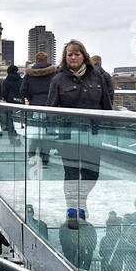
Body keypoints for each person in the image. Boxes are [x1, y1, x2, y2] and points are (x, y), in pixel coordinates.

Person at [47, 40, 113, 230]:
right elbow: (51, 109)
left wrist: (107, 128)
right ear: (65, 58)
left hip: (93, 133)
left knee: (93, 173)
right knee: (72, 173)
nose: (73, 57)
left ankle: (81, 200)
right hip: (68, 135)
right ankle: (72, 210)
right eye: (69, 54)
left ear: (83, 55)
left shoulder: (97, 77)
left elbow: (106, 106)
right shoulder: (58, 79)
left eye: (76, 54)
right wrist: (54, 134)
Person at [22, 51, 59, 168]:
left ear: (36, 60)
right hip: (50, 106)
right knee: (47, 134)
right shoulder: (54, 73)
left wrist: (31, 99)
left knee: (35, 132)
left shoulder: (29, 74)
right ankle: (44, 160)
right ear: (47, 59)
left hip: (35, 105)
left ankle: (32, 155)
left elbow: (23, 90)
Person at [2, 64, 23, 139]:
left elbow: (4, 93)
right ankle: (21, 131)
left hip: (10, 102)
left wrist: (7, 98)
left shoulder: (6, 81)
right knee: (21, 116)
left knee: (10, 118)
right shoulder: (21, 80)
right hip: (20, 101)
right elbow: (24, 90)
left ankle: (11, 135)